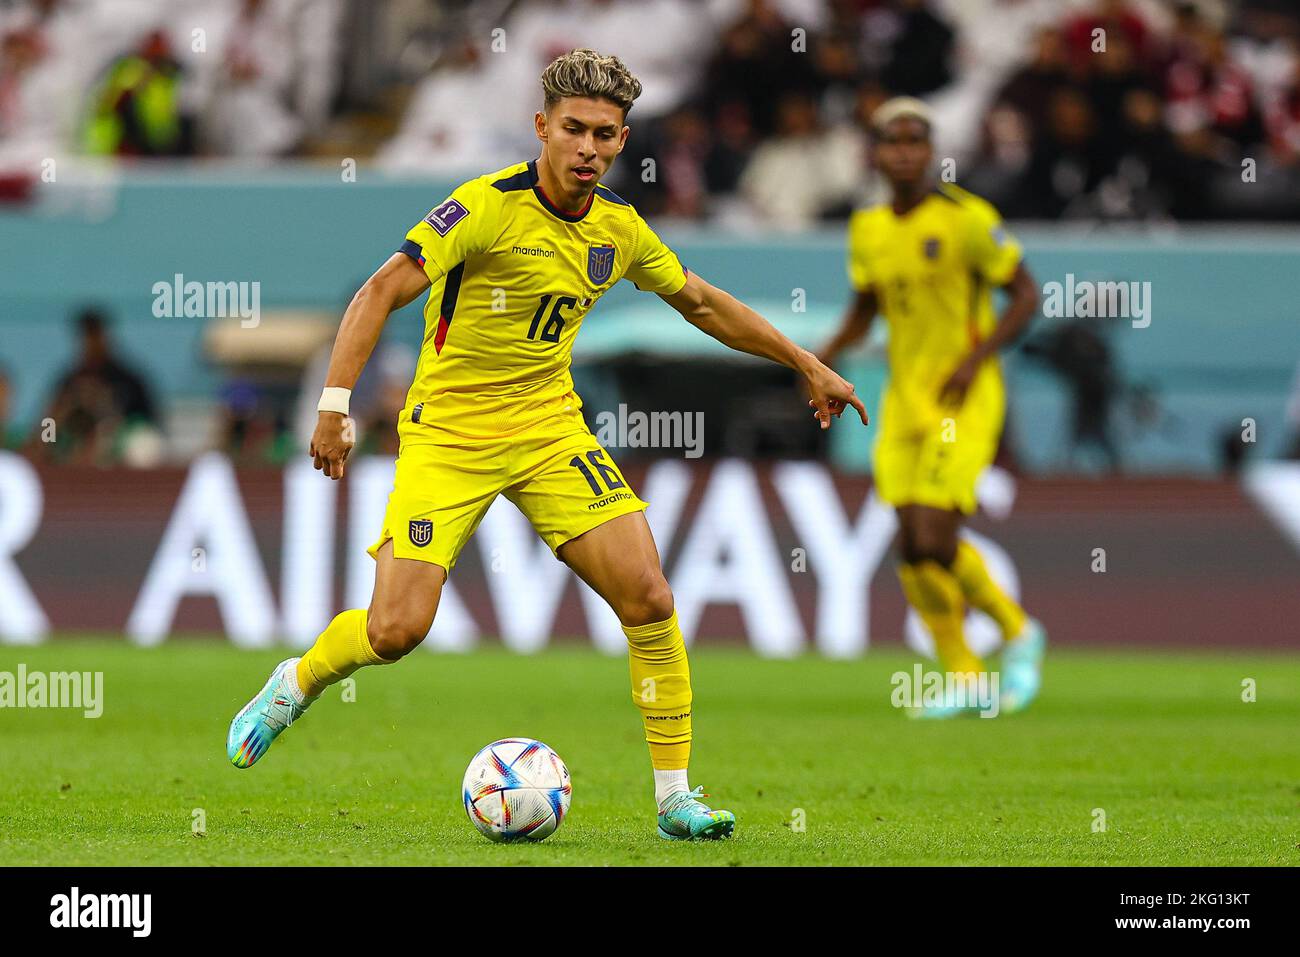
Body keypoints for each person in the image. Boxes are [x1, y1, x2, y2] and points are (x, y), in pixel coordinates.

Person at [227, 49, 867, 840]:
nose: (588, 148)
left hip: (548, 428)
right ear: (542, 127)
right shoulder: (484, 207)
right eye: (573, 129)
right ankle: (297, 680)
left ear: (623, 138)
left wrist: (805, 361)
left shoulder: (619, 230)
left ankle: (675, 798)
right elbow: (380, 290)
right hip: (450, 435)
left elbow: (699, 302)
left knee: (651, 596)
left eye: (604, 133)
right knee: (397, 631)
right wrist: (334, 405)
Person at [819, 97, 1045, 717]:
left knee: (931, 531)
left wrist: (976, 359)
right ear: (876, 152)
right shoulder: (867, 227)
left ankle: (1018, 631)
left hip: (964, 396)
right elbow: (867, 304)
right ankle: (967, 674)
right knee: (913, 546)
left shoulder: (968, 218)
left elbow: (1026, 295)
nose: (904, 152)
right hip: (905, 398)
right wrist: (822, 357)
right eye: (892, 141)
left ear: (931, 150)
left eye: (916, 140)